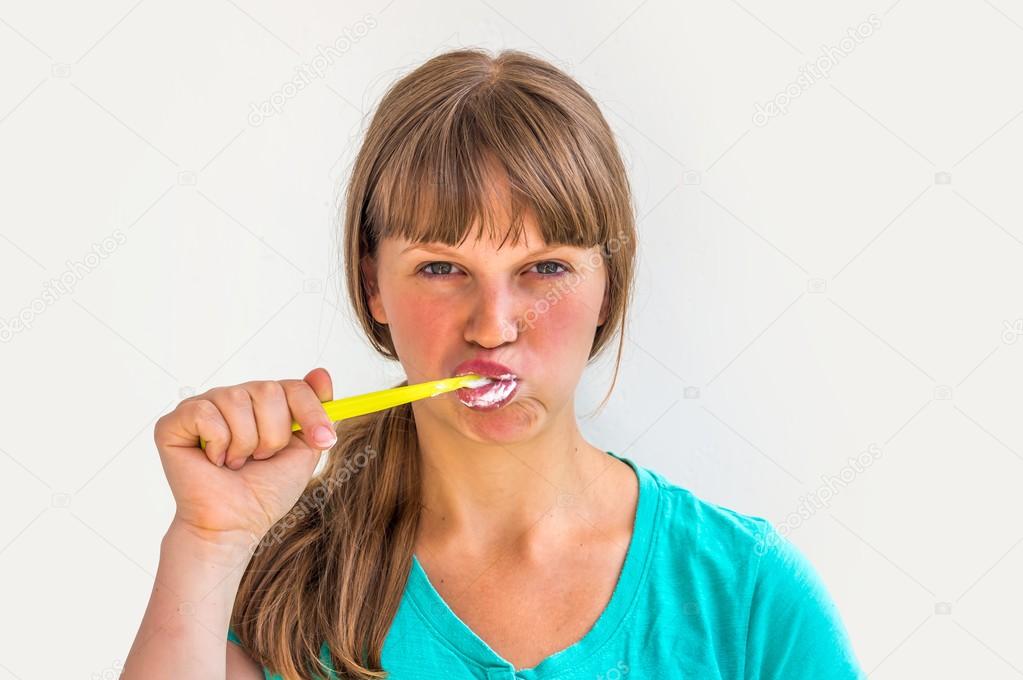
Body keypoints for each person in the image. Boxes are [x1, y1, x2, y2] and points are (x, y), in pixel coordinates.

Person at [123, 47, 865, 679]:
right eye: (443, 268)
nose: (493, 326)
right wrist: (207, 542)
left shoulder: (748, 597)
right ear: (373, 285)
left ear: (608, 287)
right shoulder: (275, 589)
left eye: (544, 268)